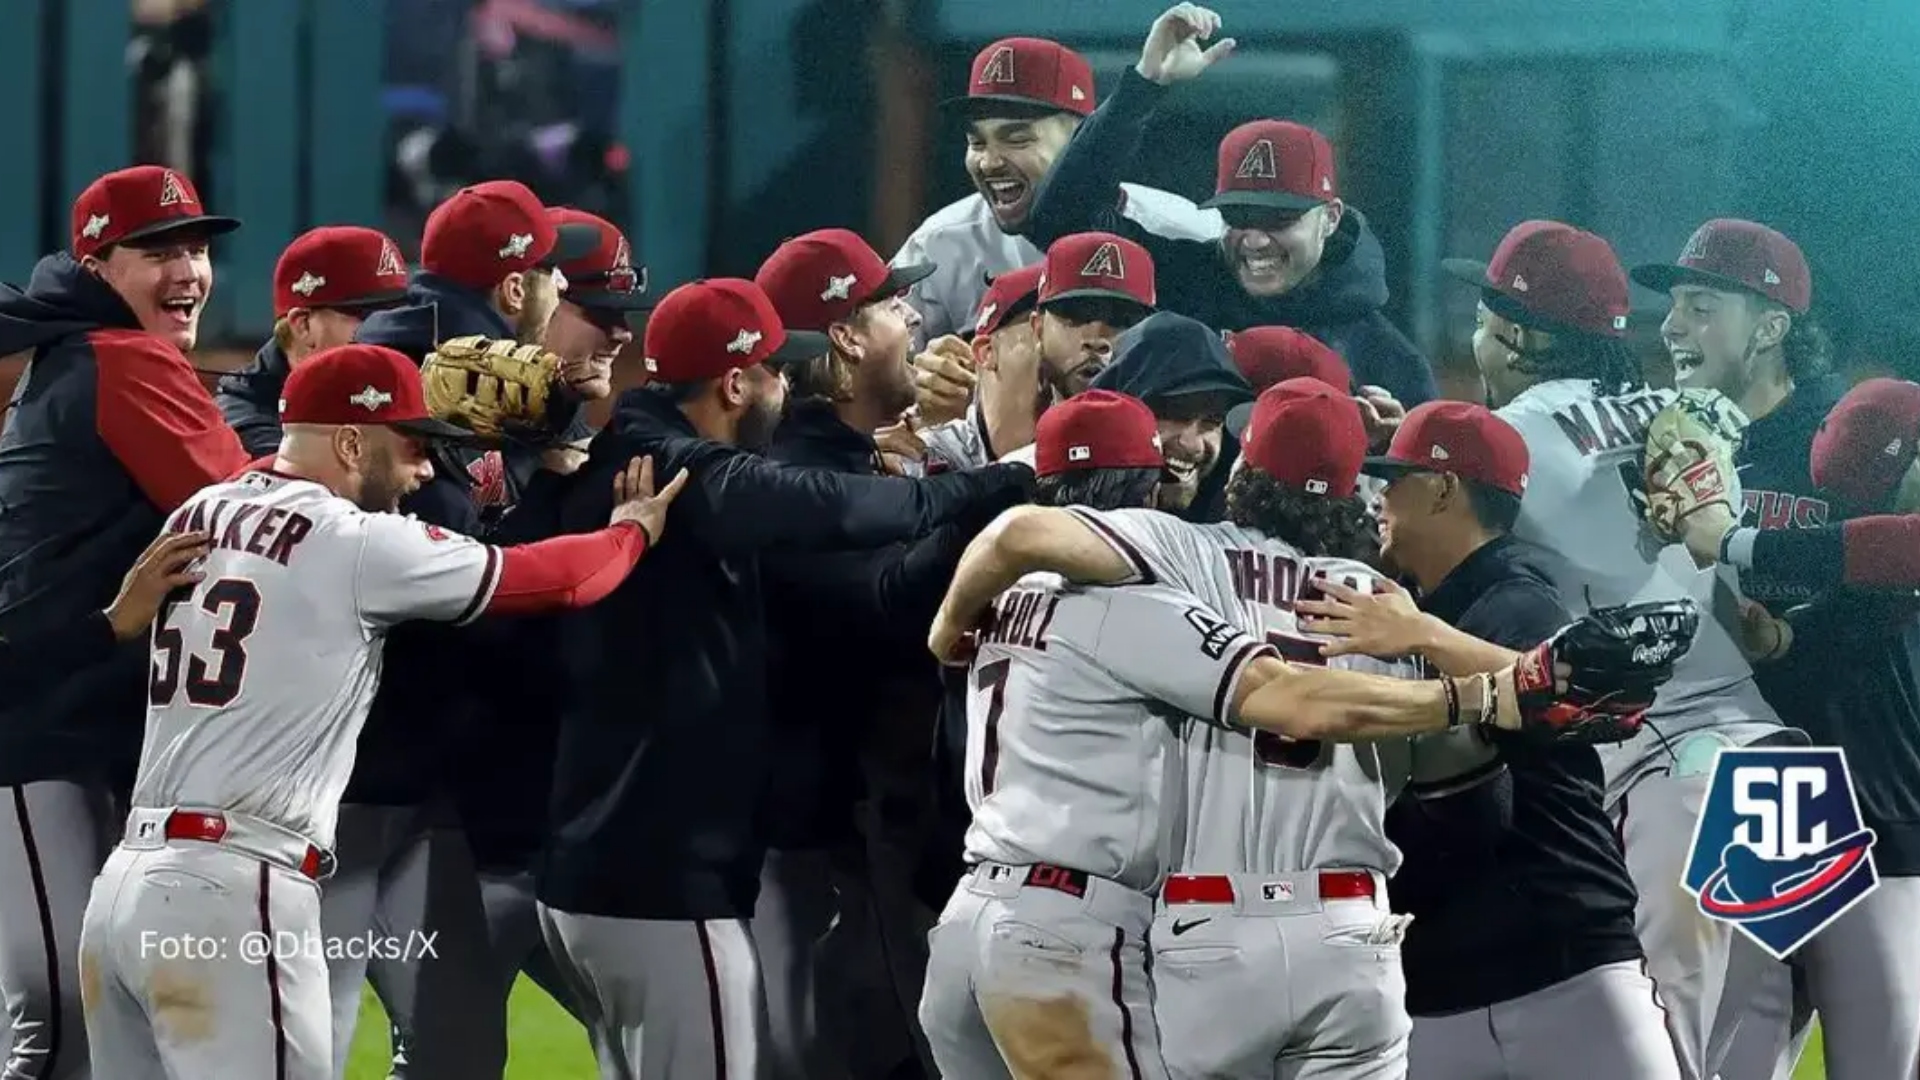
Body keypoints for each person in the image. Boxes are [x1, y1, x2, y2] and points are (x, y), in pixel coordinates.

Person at [75, 342, 686, 1080]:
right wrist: (632, 529)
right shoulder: (350, 540)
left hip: (124, 892)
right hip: (235, 893)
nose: (426, 470)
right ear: (351, 439)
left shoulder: (204, 507)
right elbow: (553, 581)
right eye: (413, 446)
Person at [535, 277, 1035, 1080]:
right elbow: (826, 506)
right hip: (659, 875)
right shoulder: (673, 471)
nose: (787, 388)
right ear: (734, 383)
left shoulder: (620, 456)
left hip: (600, 863)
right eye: (773, 371)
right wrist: (990, 485)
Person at [926, 379, 1426, 1079]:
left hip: (975, 911)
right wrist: (1472, 696)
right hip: (1073, 926)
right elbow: (1289, 700)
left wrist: (945, 625)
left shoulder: (1009, 593)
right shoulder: (1136, 601)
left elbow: (1016, 534)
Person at [1450, 217, 1795, 1080]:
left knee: (1657, 1057)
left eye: (1486, 320)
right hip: (1778, 761)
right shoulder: (1675, 412)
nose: (1474, 339)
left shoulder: (1511, 438)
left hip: (1673, 773)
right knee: (1753, 1057)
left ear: (1521, 337)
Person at [1297, 400, 1680, 1079]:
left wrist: (1426, 638)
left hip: (1561, 964)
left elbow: (1567, 691)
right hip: (1445, 979)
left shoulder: (1515, 595)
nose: (1380, 497)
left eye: (1397, 480)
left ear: (1443, 489)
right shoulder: (1418, 602)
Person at [321, 179, 597, 1080]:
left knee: (441, 1044)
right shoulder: (417, 376)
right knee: (320, 1038)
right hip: (354, 782)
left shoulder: (448, 372)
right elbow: (450, 582)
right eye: (551, 275)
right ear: (516, 287)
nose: (560, 296)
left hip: (406, 785)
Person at [0, 164, 249, 1080]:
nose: (189, 271)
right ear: (99, 265)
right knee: (59, 1015)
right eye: (158, 252)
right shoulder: (119, 356)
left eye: (196, 249)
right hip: (32, 733)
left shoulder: (78, 348)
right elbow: (253, 515)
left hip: (70, 721)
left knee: (105, 1020)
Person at [1643, 256, 1917, 1077]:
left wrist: (1736, 549)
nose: (1673, 325)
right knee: (1737, 1063)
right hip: (1769, 788)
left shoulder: (1856, 429)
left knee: (1879, 1059)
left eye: (1700, 304)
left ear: (1771, 327)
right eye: (1672, 307)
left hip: (1880, 778)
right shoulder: (1673, 441)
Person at [453, 207, 656, 1064]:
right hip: (458, 829)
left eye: (623, 315)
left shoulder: (592, 448)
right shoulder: (433, 440)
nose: (616, 333)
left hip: (562, 831)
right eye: (595, 310)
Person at [751, 227, 953, 1079]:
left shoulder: (857, 459)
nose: (911, 317)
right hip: (829, 843)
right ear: (845, 336)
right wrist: (991, 500)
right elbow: (883, 605)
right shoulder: (797, 474)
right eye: (891, 303)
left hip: (871, 836)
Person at [1024, 4, 1437, 406]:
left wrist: (1386, 452)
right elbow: (1060, 222)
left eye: (1278, 219)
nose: (1255, 241)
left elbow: (1427, 477)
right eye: (1237, 217)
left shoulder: (1389, 361)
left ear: (1329, 218)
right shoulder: (1180, 283)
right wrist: (1145, 85)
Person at [894, 37, 1218, 347]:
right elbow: (865, 362)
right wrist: (920, 383)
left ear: (1081, 139)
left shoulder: (1183, 230)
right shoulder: (939, 244)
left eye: (1017, 138)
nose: (989, 162)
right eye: (977, 142)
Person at [919, 231, 1157, 471]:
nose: (1096, 339)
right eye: (1073, 316)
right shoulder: (932, 451)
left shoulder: (1167, 436)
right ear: (1039, 329)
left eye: (1123, 320)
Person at [217, 226, 412, 455]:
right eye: (369, 317)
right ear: (304, 325)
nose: (389, 331)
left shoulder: (405, 382)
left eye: (397, 315)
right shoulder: (244, 423)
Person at [1088, 310, 1254, 520]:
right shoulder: (1044, 497)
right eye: (1176, 414)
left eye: (1212, 421)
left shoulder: (1233, 530)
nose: (1193, 445)